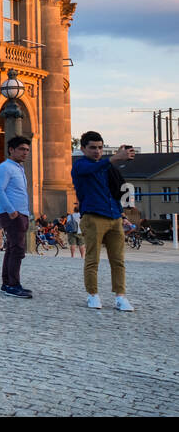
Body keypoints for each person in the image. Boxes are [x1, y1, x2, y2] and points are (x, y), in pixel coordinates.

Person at [72, 131, 133, 311]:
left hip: (114, 217)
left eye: (100, 147)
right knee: (93, 259)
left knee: (118, 260)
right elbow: (92, 168)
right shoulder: (80, 165)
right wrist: (114, 158)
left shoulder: (107, 168)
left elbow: (115, 192)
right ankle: (93, 295)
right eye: (92, 148)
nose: (97, 151)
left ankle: (120, 297)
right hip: (93, 216)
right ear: (82, 148)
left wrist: (122, 215)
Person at [0, 135, 33, 299]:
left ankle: (7, 282)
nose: (25, 153)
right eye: (22, 149)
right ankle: (13, 285)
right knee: (17, 249)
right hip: (13, 214)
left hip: (20, 213)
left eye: (27, 150)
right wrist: (11, 210)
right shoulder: (5, 167)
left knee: (12, 248)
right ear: (11, 150)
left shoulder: (18, 168)